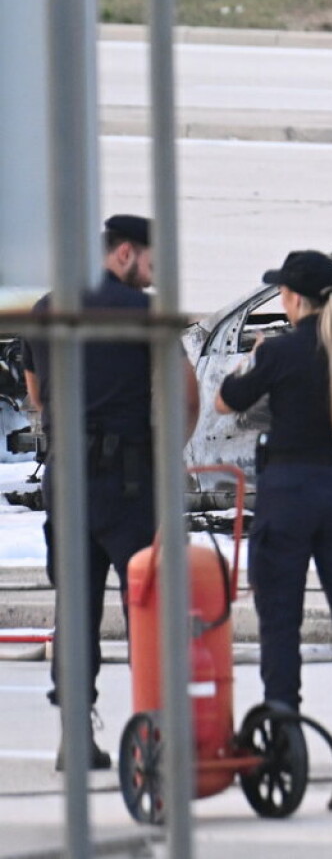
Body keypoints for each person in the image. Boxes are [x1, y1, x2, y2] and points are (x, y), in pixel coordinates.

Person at [21, 214, 200, 770]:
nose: (153, 275)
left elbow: (34, 397)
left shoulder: (48, 308)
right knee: (147, 607)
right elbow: (186, 396)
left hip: (65, 479)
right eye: (150, 261)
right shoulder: (144, 315)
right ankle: (157, 737)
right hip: (128, 482)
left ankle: (75, 737)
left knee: (74, 610)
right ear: (125, 253)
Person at [215, 250, 332, 763]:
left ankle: (283, 732)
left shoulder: (279, 352)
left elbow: (226, 401)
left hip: (288, 496)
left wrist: (253, 359)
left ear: (295, 299)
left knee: (280, 623)